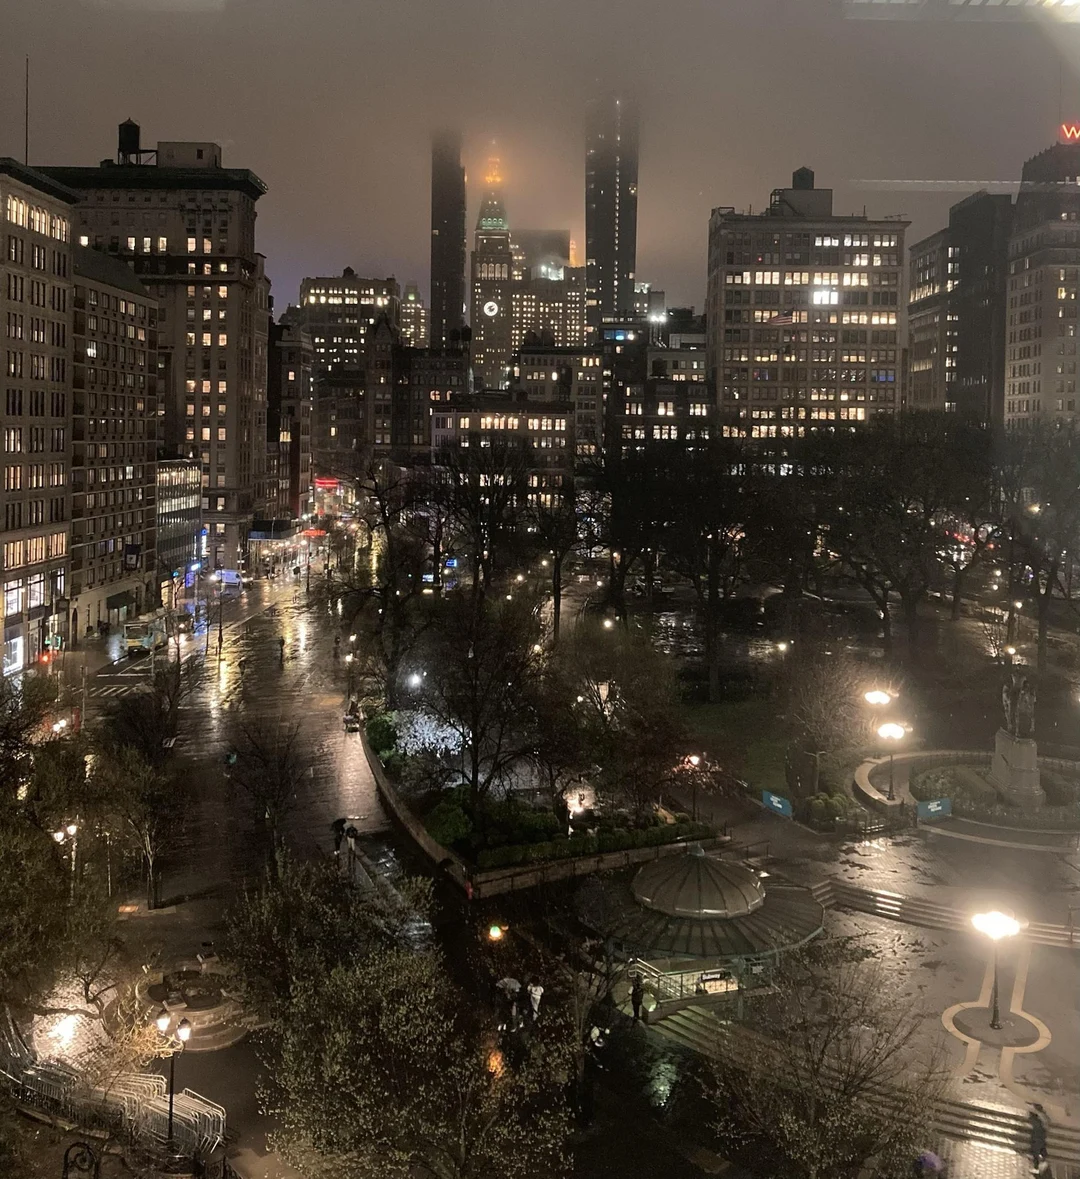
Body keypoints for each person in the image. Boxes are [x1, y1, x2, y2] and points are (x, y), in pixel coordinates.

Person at [1029, 1106, 1049, 1171]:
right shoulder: (1041, 1154)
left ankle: (1036, 1112)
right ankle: (1037, 1111)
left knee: (1040, 1125)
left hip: (1038, 1138)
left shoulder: (1038, 1154)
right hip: (1039, 1138)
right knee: (1041, 1125)